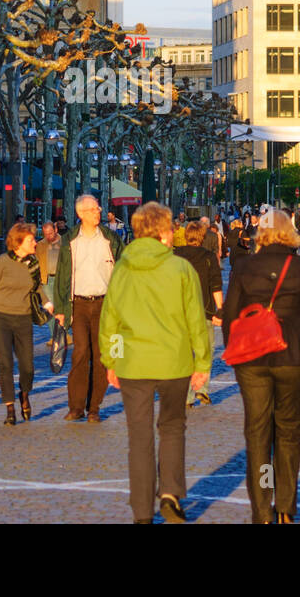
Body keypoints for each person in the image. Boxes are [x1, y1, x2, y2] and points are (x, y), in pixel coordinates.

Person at [223, 209, 300, 524]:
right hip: (292, 354)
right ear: (291, 233)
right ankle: (286, 507)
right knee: (288, 431)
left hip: (252, 357)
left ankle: (262, 509)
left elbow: (231, 314)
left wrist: (235, 352)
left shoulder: (244, 266)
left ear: (261, 233)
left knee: (258, 434)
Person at [101, 202, 211, 524]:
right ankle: (170, 494)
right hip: (173, 361)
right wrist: (202, 361)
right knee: (173, 427)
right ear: (164, 232)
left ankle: (140, 510)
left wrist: (113, 360)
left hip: (133, 364)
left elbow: (112, 322)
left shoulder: (122, 269)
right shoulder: (180, 270)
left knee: (139, 436)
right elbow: (196, 321)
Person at [56, 194, 123, 422]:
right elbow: (62, 276)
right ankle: (76, 406)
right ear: (81, 213)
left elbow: (123, 270)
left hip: (105, 303)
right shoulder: (70, 240)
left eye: (98, 208)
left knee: (102, 354)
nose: (99, 211)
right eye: (94, 209)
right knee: (81, 352)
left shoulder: (111, 239)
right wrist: (61, 308)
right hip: (79, 303)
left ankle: (94, 407)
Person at [0, 223, 48, 425]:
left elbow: (37, 288)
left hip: (23, 317)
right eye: (31, 240)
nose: (35, 242)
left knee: (27, 365)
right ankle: (10, 408)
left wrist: (49, 304)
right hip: (2, 316)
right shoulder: (2, 262)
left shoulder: (33, 263)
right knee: (5, 363)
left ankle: (24, 394)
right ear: (19, 242)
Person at [175, 219, 223, 407]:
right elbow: (216, 285)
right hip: (205, 312)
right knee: (205, 352)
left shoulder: (175, 255)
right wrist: (220, 310)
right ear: (203, 237)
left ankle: (186, 396)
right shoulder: (209, 257)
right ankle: (201, 388)